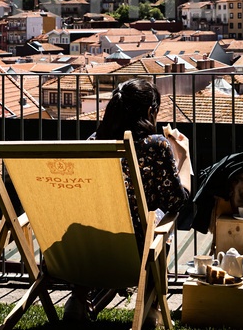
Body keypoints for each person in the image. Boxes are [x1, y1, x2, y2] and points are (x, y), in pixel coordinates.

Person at [64, 78, 192, 324]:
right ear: (150, 111)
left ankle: (78, 299)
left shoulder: (94, 143)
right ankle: (151, 307)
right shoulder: (156, 146)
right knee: (160, 227)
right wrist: (184, 157)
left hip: (90, 250)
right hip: (136, 255)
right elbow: (177, 202)